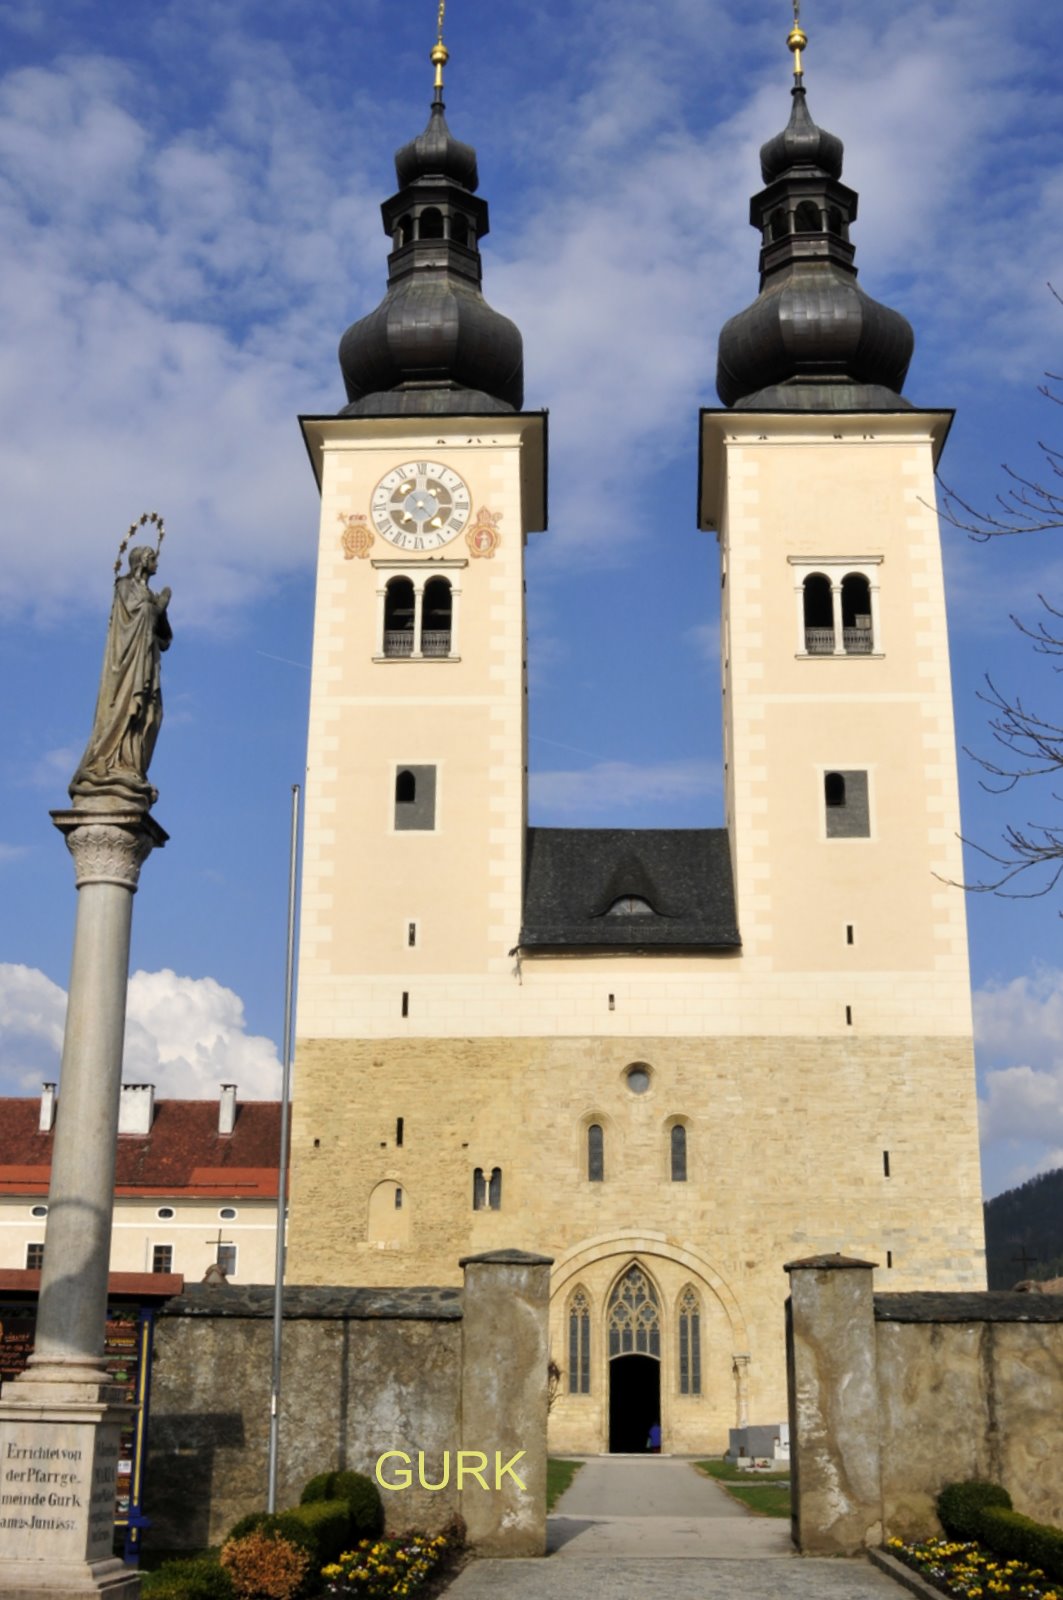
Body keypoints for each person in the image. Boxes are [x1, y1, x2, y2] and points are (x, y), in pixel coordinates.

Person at [69, 546, 172, 811]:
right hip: (129, 665)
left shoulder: (150, 594)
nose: (156, 562)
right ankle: (112, 760)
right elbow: (133, 620)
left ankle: (132, 766)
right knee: (128, 710)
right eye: (153, 558)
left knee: (151, 715)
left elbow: (164, 638)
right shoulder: (124, 586)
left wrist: (159, 608)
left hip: (148, 661)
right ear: (142, 561)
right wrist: (158, 607)